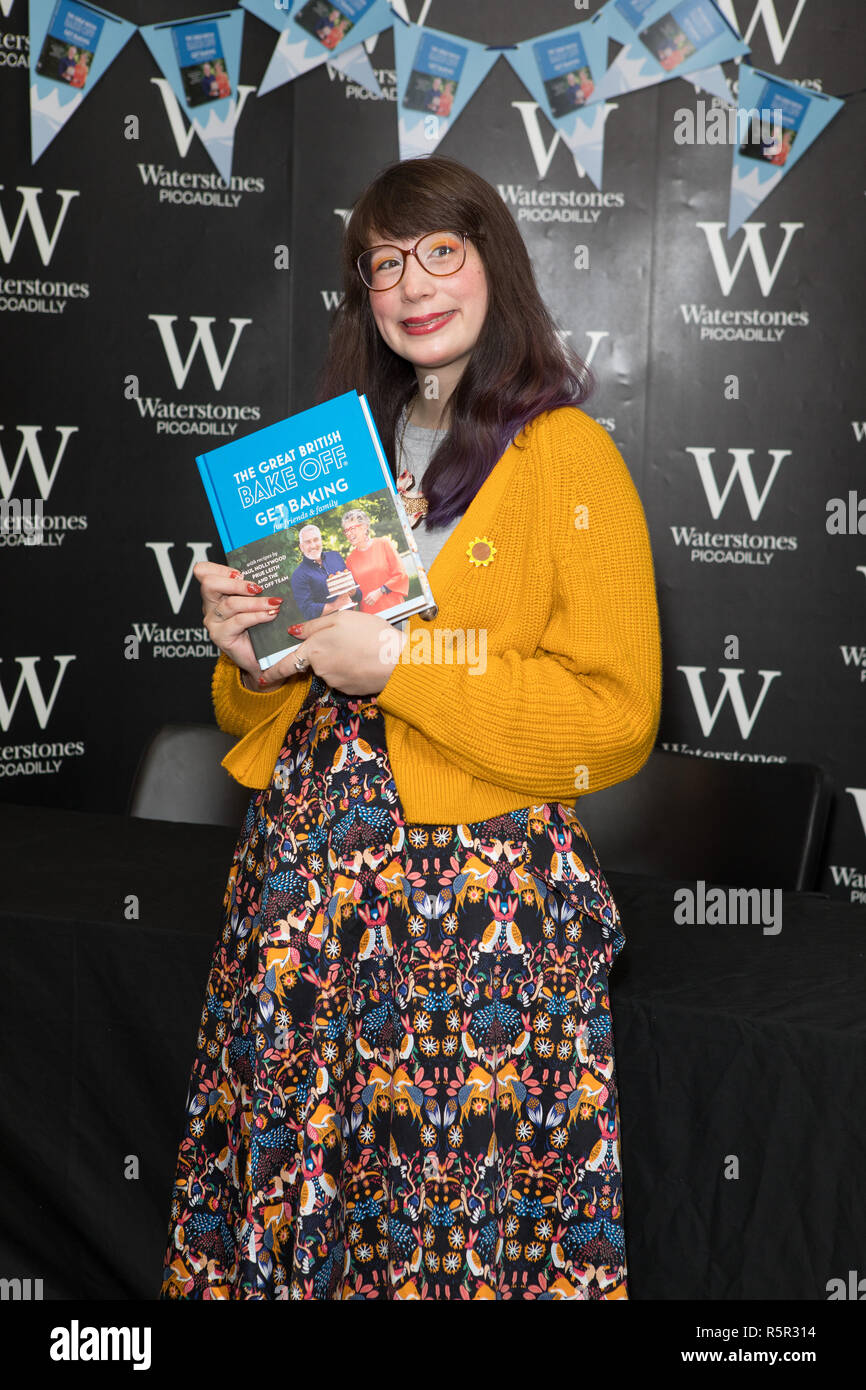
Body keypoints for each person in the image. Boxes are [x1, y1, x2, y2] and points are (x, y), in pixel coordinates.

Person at [159, 154, 661, 1301]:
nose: (412, 283)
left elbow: (615, 717)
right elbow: (269, 707)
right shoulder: (340, 461)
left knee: (452, 1237)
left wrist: (400, 666)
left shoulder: (564, 456)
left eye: (440, 250)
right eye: (383, 262)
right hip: (299, 903)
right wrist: (249, 657)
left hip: (471, 933)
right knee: (297, 1209)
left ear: (494, 264)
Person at [341, 508, 411, 614]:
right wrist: (351, 593)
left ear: (365, 527)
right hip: (370, 617)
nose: (349, 534)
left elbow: (400, 574)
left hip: (394, 608)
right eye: (346, 530)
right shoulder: (350, 560)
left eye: (352, 528)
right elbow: (355, 594)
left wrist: (380, 591)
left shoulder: (383, 544)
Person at [290, 522, 360, 621]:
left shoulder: (335, 556)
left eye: (315, 540)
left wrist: (353, 592)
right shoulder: (299, 575)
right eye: (308, 542)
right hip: (329, 627)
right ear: (301, 547)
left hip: (354, 618)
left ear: (321, 541)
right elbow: (307, 611)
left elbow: (358, 593)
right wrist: (335, 605)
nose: (313, 545)